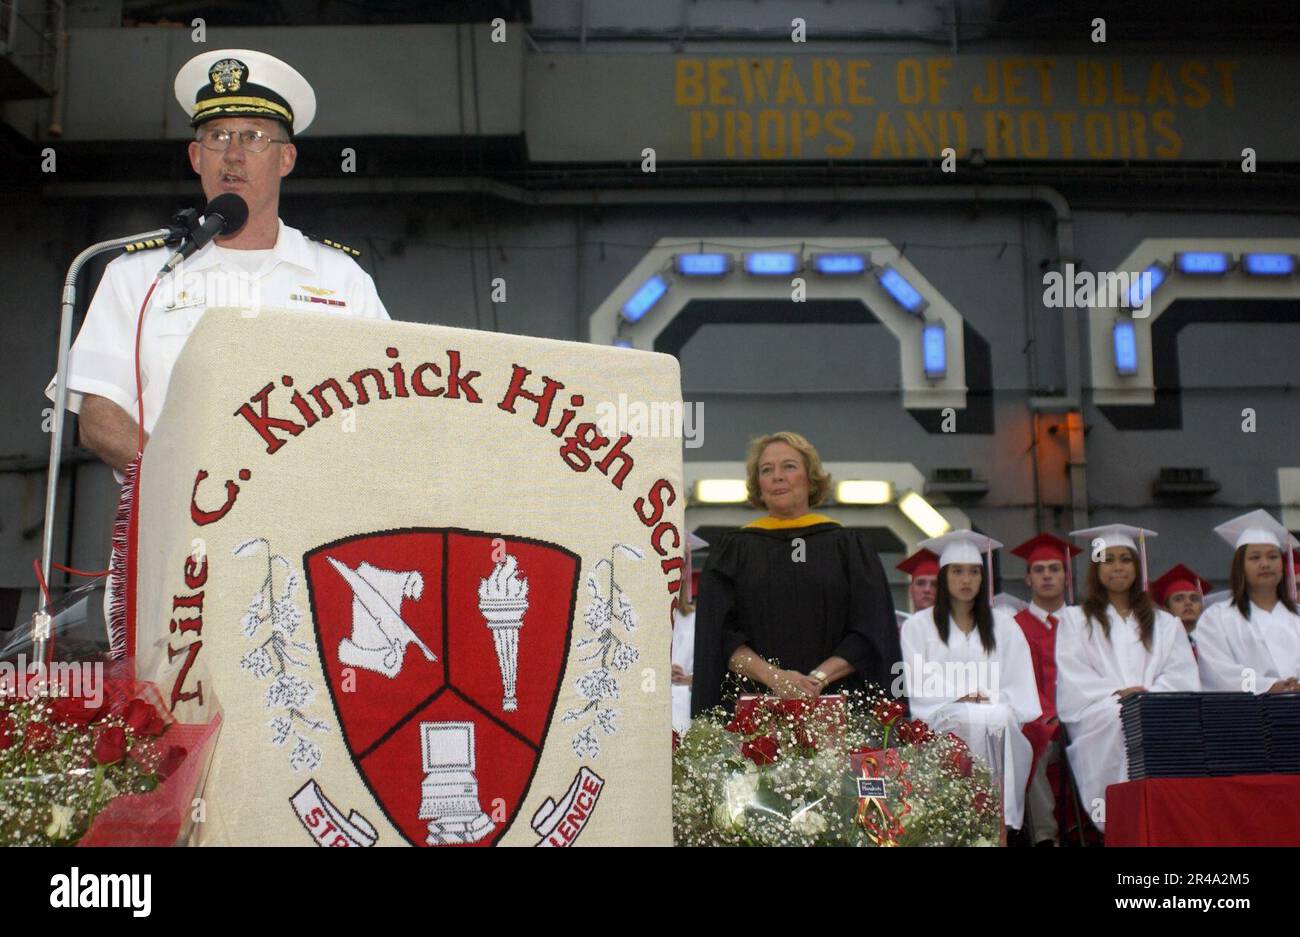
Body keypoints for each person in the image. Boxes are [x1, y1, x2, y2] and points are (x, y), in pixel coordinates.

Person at [45, 49, 390, 477]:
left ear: (286, 159)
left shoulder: (341, 279)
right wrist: (186, 482)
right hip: (174, 524)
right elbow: (98, 417)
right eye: (218, 136)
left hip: (309, 524)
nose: (233, 154)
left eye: (254, 137)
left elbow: (384, 409)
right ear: (196, 156)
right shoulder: (139, 275)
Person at [690, 432, 901, 716]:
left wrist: (814, 681)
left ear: (811, 478)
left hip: (837, 705)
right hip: (754, 711)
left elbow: (871, 630)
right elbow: (719, 637)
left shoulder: (848, 547)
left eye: (789, 466)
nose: (778, 476)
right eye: (767, 470)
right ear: (758, 485)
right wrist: (775, 678)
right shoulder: (734, 551)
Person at [1055, 525, 1200, 833]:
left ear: (1137, 566)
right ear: (1096, 569)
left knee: (1149, 718)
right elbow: (1074, 674)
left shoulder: (1165, 623)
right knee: (1120, 718)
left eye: (1125, 559)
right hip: (1099, 710)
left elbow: (1180, 675)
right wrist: (1118, 694)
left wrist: (1148, 696)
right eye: (1108, 560)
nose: (1117, 567)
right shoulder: (1075, 620)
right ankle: (1124, 819)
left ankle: (1160, 819)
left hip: (1157, 706)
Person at [899, 530, 1040, 832]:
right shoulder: (917, 627)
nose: (966, 579)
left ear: (983, 577)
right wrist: (959, 698)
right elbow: (917, 684)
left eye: (974, 572)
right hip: (941, 718)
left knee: (997, 717)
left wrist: (988, 698)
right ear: (944, 576)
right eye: (958, 571)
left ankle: (997, 823)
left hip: (997, 715)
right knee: (965, 718)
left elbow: (1018, 682)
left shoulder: (1004, 625)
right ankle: (953, 818)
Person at [1008, 532, 1081, 847]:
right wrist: (1048, 715)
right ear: (1028, 579)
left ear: (1067, 577)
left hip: (1084, 717)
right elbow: (1016, 678)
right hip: (1040, 719)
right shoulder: (1013, 626)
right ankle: (1045, 837)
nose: (1048, 575)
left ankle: (1105, 828)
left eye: (1055, 568)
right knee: (1030, 748)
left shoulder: (1085, 622)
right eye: (1039, 570)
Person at [1194, 510, 1300, 695]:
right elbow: (1218, 672)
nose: (1265, 564)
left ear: (1283, 566)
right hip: (1249, 717)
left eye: (1273, 556)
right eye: (1255, 557)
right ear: (1240, 566)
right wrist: (1268, 686)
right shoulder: (1216, 619)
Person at [671, 531, 708, 734]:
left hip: (688, 709)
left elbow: (713, 669)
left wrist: (695, 678)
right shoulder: (640, 621)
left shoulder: (698, 619)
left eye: (680, 565)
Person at [1149, 563, 1212, 657]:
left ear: (1201, 606)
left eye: (1194, 598)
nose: (1188, 603)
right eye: (1179, 599)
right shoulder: (1156, 644)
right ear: (1166, 609)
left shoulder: (1213, 641)